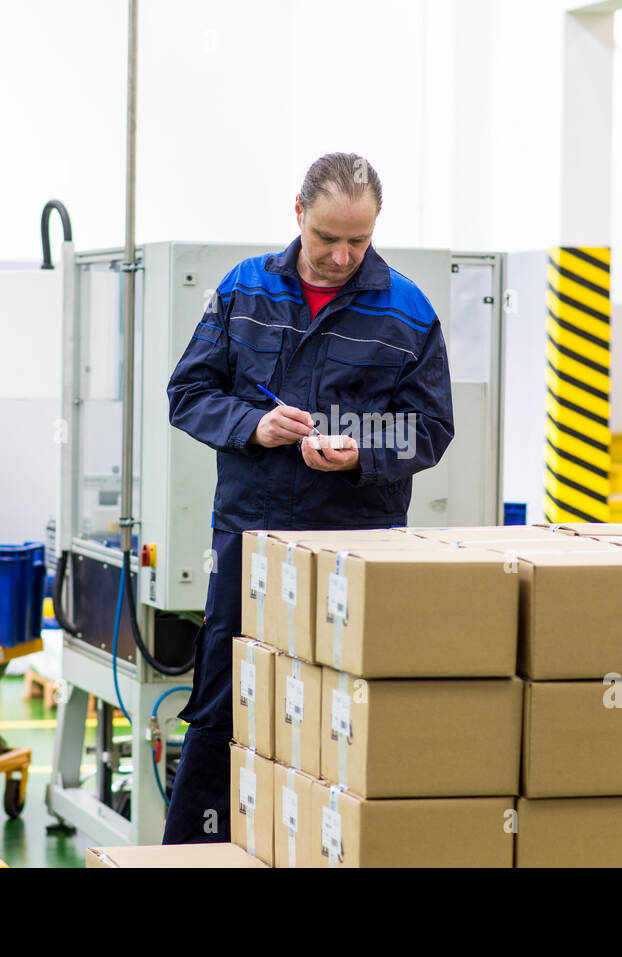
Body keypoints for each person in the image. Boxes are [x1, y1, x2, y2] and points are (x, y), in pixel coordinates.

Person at [162, 152, 454, 843]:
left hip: (354, 546)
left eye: (359, 240)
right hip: (250, 542)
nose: (342, 255)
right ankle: (198, 853)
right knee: (223, 701)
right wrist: (254, 425)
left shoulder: (407, 312)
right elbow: (189, 394)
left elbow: (431, 429)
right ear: (298, 212)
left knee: (341, 712)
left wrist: (362, 453)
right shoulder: (244, 290)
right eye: (328, 237)